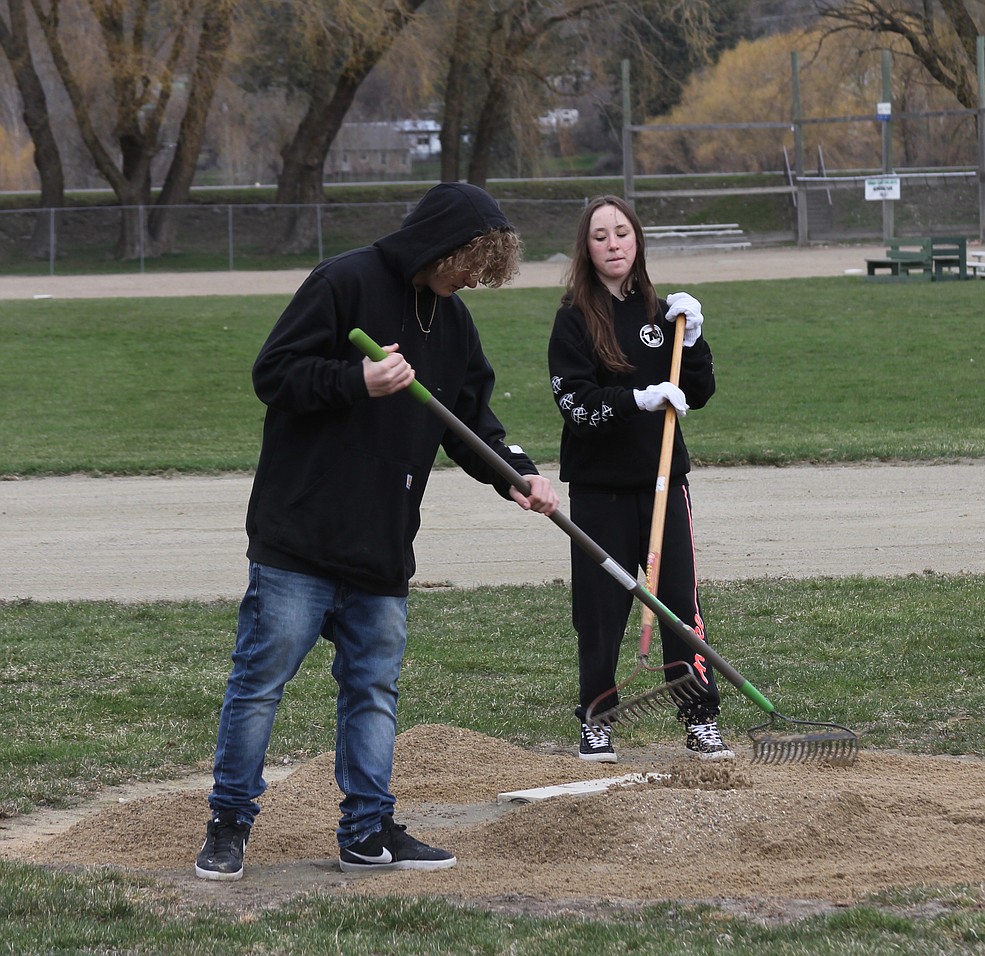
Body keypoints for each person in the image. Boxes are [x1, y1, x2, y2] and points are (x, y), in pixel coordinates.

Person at [195, 182, 559, 882]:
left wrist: (519, 473)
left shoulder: (452, 325)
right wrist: (356, 380)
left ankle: (367, 832)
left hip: (382, 543)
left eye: (481, 273)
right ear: (438, 244)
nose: (467, 281)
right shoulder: (344, 281)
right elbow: (274, 374)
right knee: (260, 681)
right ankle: (229, 823)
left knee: (373, 691)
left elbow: (473, 422)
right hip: (300, 534)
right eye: (465, 264)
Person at [547, 194, 732, 764]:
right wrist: (637, 399)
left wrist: (694, 341)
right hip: (600, 489)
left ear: (638, 240)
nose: (613, 245)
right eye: (601, 236)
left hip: (664, 483)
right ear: (587, 247)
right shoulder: (573, 318)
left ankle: (699, 716)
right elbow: (576, 406)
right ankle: (597, 720)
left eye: (622, 233)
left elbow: (698, 393)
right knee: (600, 609)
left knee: (680, 602)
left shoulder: (662, 313)